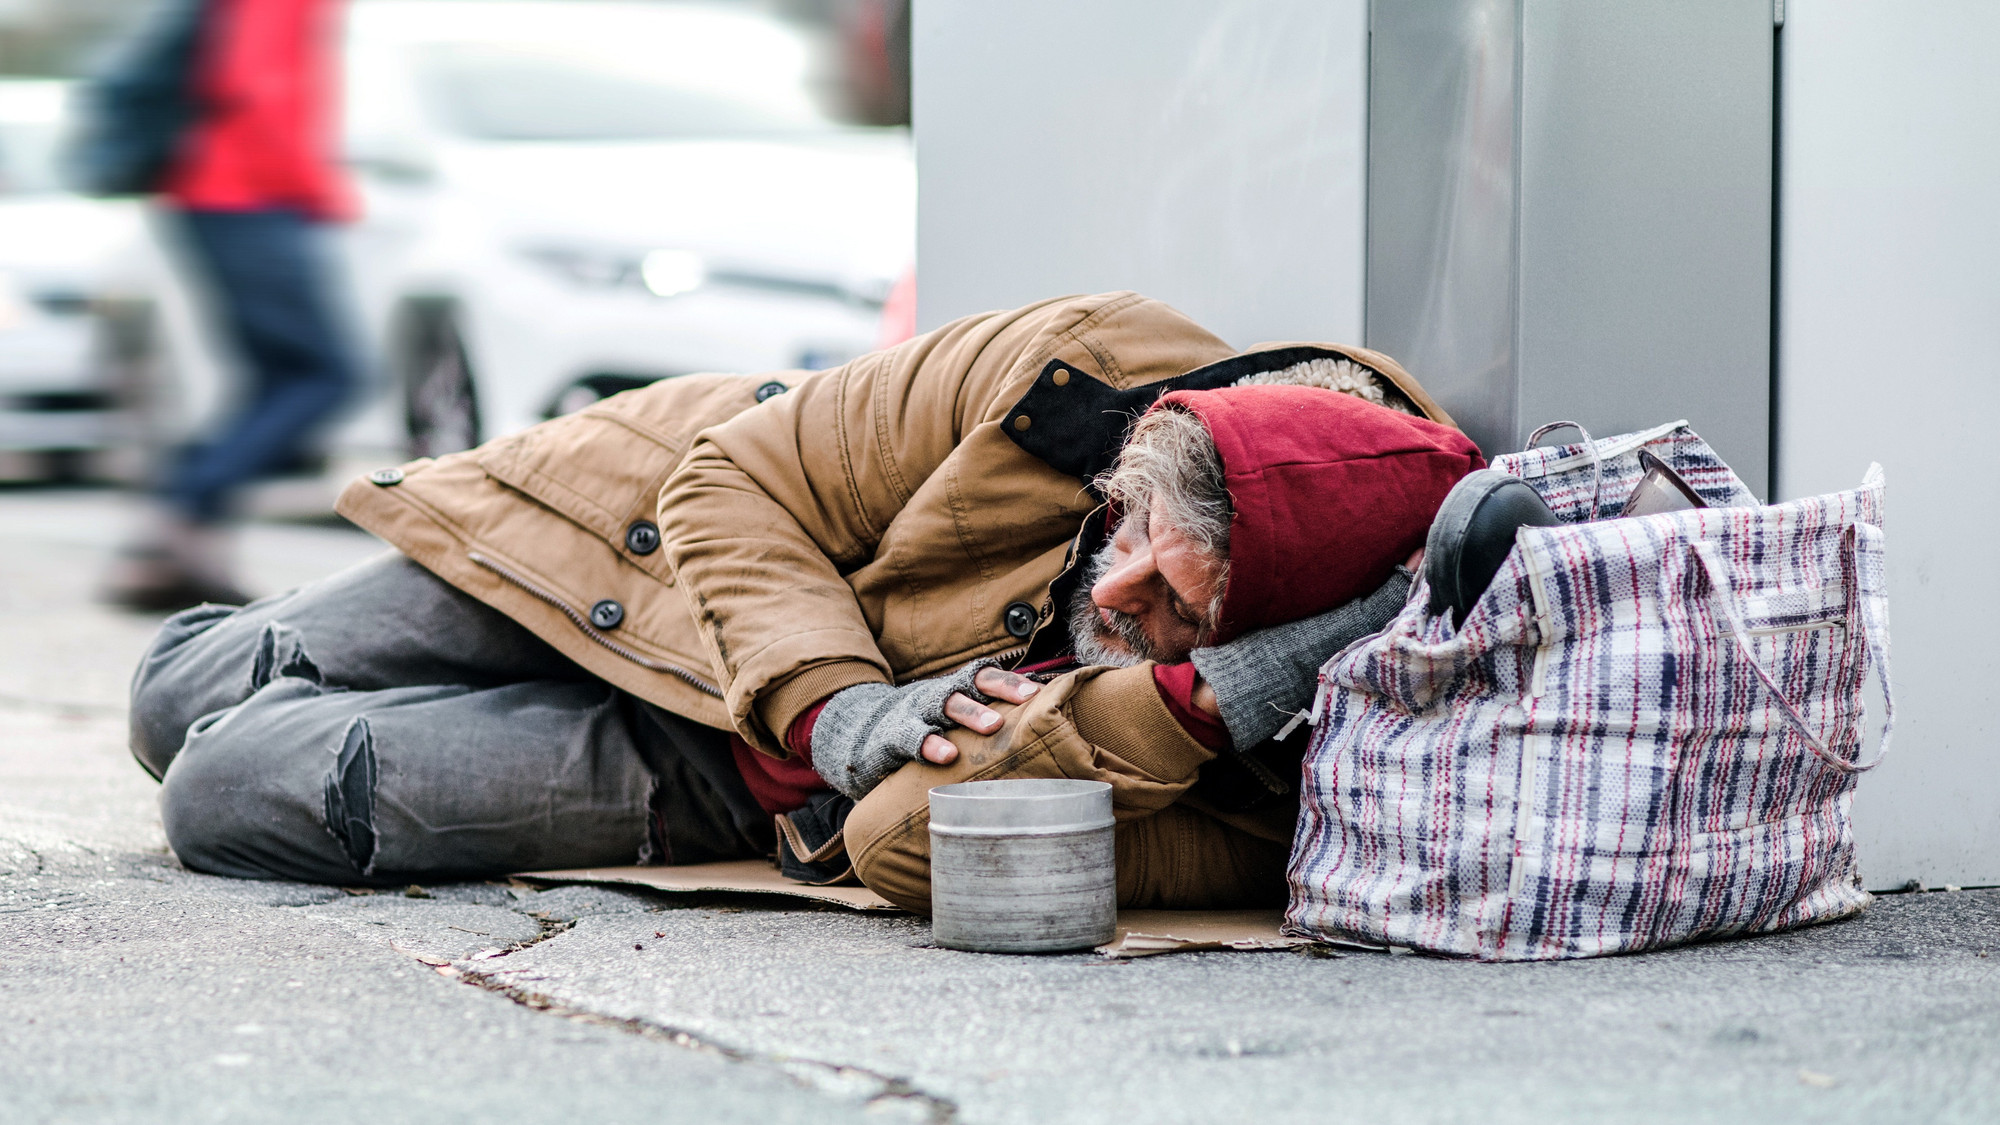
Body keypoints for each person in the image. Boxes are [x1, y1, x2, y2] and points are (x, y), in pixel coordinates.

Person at [128, 292, 1482, 908]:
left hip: (712, 769)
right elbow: (736, 481)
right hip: (642, 540)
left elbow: (904, 844)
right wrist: (842, 712)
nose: (1118, 593)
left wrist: (1197, 701)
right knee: (173, 696)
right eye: (1125, 528)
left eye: (1185, 609)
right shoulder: (1085, 364)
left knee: (225, 789)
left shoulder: (1274, 771)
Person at [102, 0, 359, 610]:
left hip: (225, 192)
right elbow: (255, 87)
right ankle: (177, 521)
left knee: (277, 376)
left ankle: (186, 547)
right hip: (246, 195)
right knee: (326, 374)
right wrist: (316, 188)